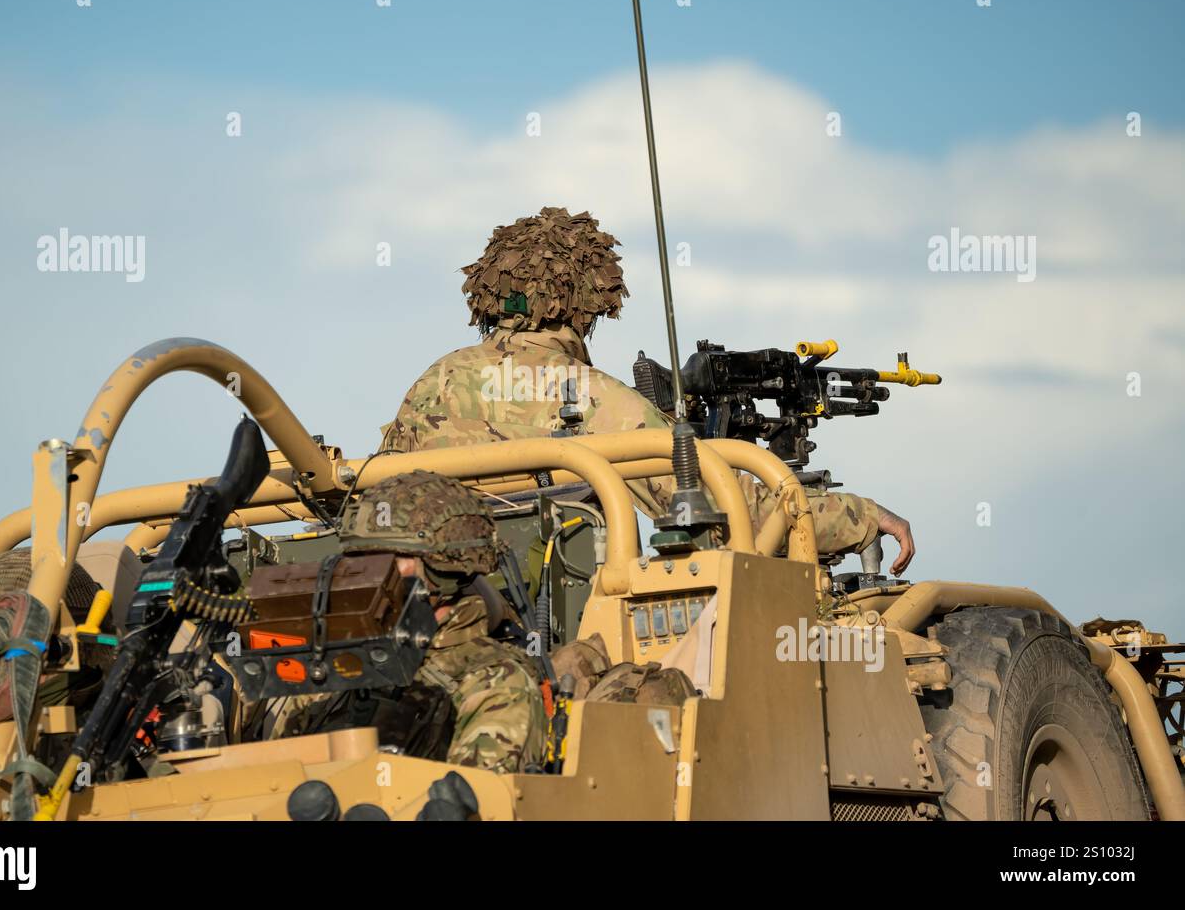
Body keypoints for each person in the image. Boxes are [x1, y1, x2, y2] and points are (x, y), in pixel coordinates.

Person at [380, 206, 916, 574]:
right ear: (587, 303)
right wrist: (863, 516)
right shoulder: (589, 397)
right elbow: (731, 514)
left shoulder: (432, 382)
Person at [334, 469, 548, 774]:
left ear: (441, 569)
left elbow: (479, 800)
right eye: (359, 559)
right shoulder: (342, 668)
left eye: (386, 557)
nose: (366, 573)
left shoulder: (494, 683)